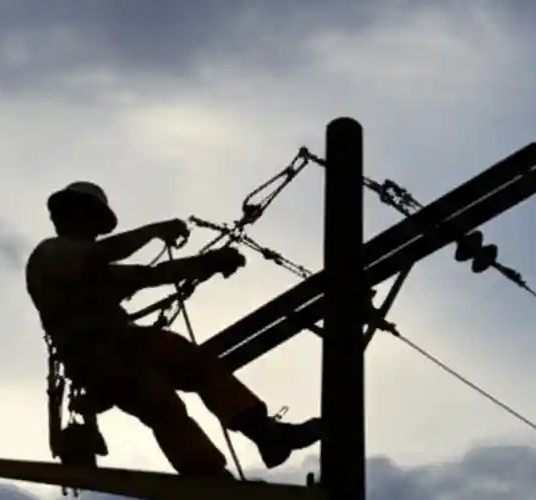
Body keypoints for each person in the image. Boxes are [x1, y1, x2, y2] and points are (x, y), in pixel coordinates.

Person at [25, 180, 321, 478]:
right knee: (162, 405)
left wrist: (207, 264)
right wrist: (155, 231)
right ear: (67, 215)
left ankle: (265, 434)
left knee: (193, 363)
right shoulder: (50, 255)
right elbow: (105, 257)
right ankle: (208, 474)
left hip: (124, 346)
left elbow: (149, 275)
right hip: (97, 360)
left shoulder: (90, 269)